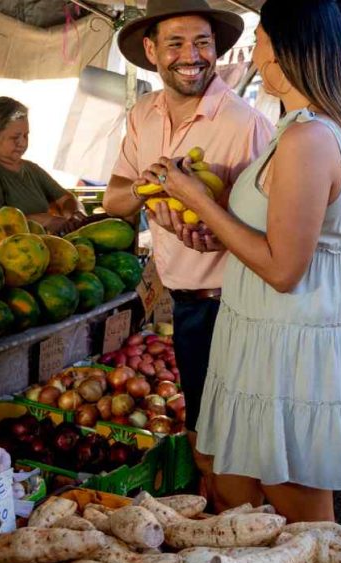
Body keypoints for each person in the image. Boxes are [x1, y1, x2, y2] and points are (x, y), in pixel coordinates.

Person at [148, 0, 341, 522]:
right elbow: (273, 238)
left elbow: (283, 269)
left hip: (286, 345)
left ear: (281, 51)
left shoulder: (308, 138)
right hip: (260, 334)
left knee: (302, 522)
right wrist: (220, 230)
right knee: (235, 496)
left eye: (260, 40)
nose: (253, 52)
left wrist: (196, 196)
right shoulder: (296, 131)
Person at [102, 0, 274, 511]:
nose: (190, 56)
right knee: (207, 438)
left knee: (238, 445)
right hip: (186, 304)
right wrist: (151, 183)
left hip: (239, 304)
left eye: (201, 42)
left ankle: (249, 538)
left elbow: (272, 230)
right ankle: (227, 525)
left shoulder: (246, 124)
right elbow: (113, 201)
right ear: (152, 51)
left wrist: (211, 216)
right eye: (175, 43)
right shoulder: (142, 115)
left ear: (217, 49)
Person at [0, 97, 86, 235]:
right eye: (15, 137)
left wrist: (74, 214)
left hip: (36, 249)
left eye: (26, 135)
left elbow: (66, 198)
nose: (22, 143)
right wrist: (43, 220)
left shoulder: (31, 169)